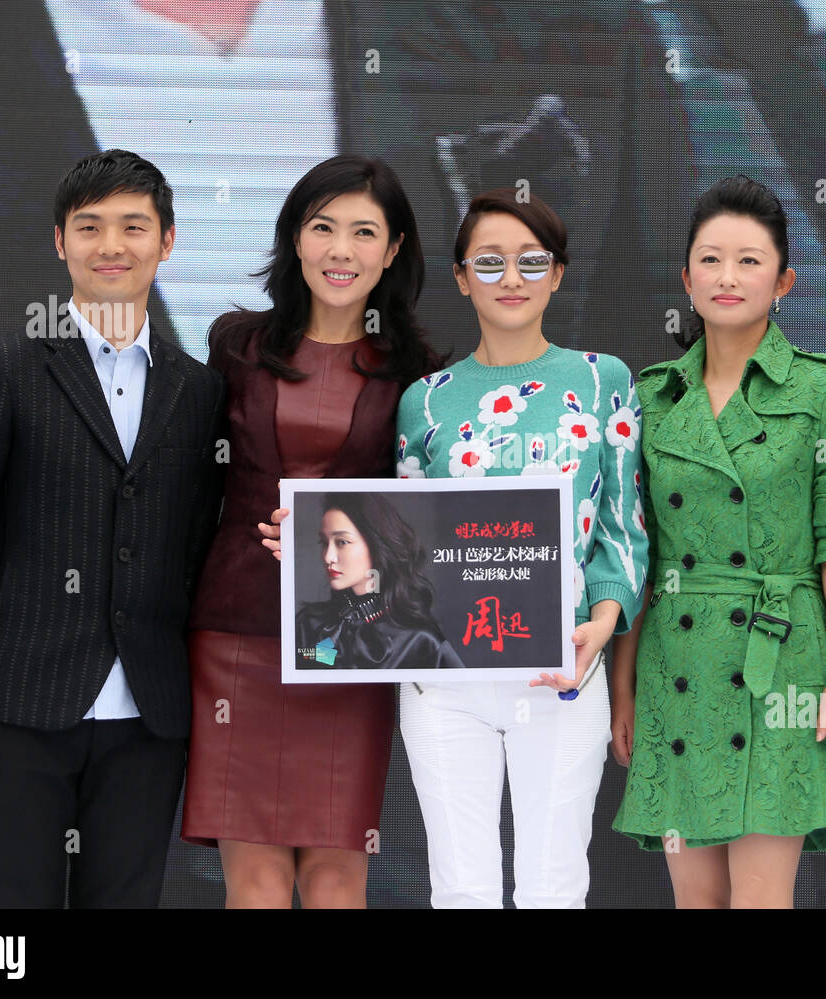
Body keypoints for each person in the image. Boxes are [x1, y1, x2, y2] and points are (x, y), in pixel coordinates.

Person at [0, 149, 226, 907]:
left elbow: (193, 548)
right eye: (89, 227)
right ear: (60, 241)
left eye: (133, 226)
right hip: (20, 701)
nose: (111, 245)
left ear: (169, 240)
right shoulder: (1, 366)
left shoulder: (199, 389)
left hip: (148, 713)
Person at [359, 187, 647, 907]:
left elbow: (623, 526)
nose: (511, 278)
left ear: (556, 273)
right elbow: (404, 536)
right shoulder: (425, 399)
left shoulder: (600, 379)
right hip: (444, 679)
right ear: (460, 277)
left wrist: (604, 625)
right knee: (461, 888)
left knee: (554, 885)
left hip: (563, 668)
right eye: (489, 263)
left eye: (530, 261)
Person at [182, 155, 441, 908]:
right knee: (255, 882)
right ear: (295, 238)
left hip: (350, 643)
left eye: (364, 232)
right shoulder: (236, 344)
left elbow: (425, 525)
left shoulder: (418, 372)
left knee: (335, 879)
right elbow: (195, 481)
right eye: (322, 226)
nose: (340, 249)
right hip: (237, 635)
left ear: (392, 251)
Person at [611, 175, 826, 908]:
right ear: (686, 276)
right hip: (676, 665)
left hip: (783, 660)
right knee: (696, 903)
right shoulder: (653, 393)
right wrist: (623, 685)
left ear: (784, 278)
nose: (729, 277)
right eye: (712, 259)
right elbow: (641, 554)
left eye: (751, 260)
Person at [294, 493, 465, 671]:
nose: (328, 557)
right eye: (323, 542)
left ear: (376, 544)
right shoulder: (308, 623)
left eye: (342, 542)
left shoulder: (421, 641)